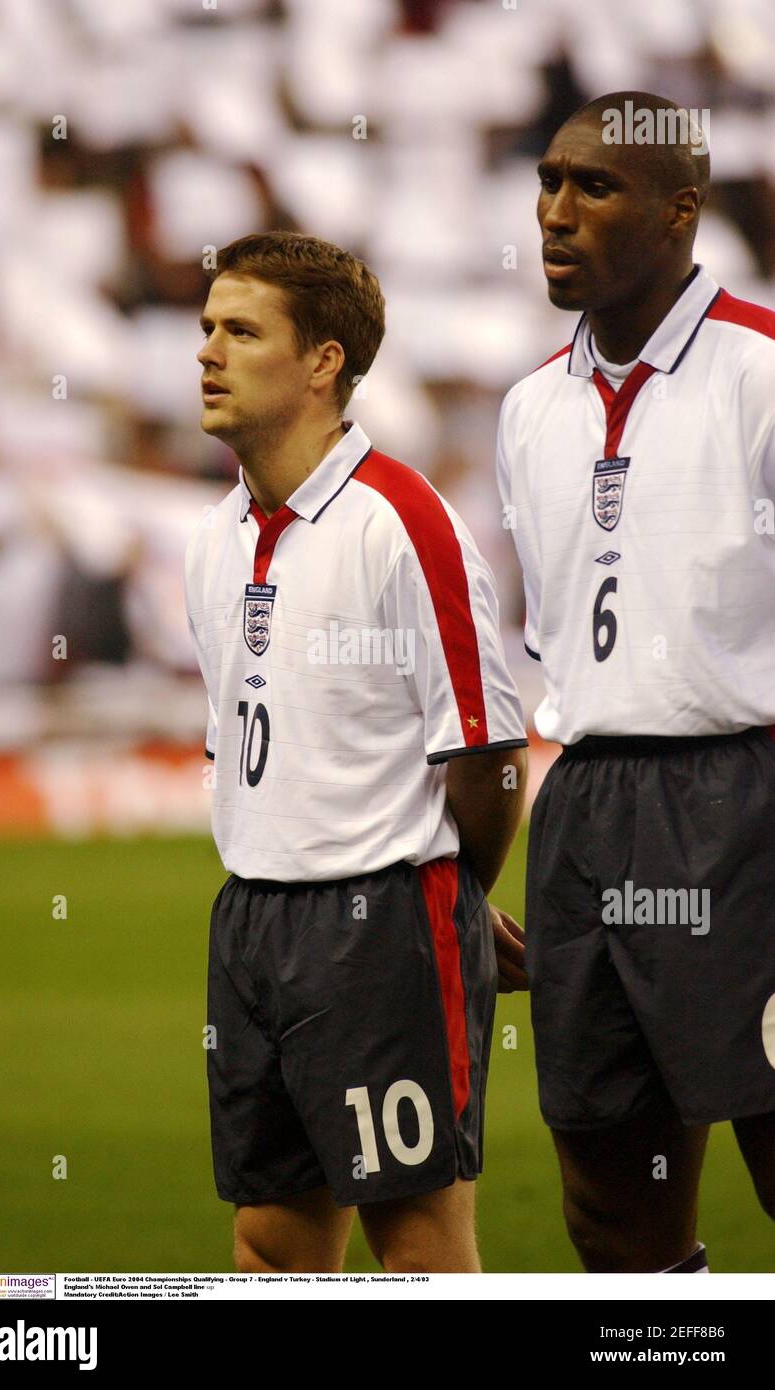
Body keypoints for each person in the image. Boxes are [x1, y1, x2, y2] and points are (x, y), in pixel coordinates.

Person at [185, 231, 529, 1273]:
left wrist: (454, 901)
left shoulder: (401, 520)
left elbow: (488, 750)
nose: (207, 351)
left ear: (324, 359)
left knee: (417, 1248)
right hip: (249, 922)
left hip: (378, 923)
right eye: (207, 328)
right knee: (270, 1247)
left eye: (242, 331)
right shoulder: (212, 537)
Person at [496, 91, 775, 1273]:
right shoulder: (526, 409)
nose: (554, 212)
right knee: (608, 1195)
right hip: (589, 807)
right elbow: (552, 646)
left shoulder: (761, 369)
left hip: (747, 800)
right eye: (549, 181)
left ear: (680, 210)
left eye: (593, 187)